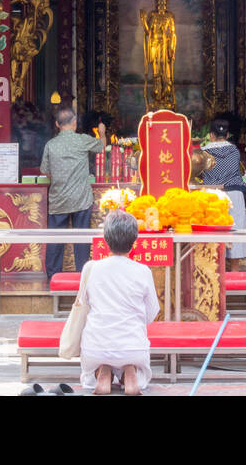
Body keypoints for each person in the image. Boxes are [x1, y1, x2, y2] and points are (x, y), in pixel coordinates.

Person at [79, 210, 160, 395]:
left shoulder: (91, 268)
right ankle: (129, 374)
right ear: (134, 240)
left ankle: (102, 371)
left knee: (89, 375)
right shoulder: (142, 270)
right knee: (141, 373)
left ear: (106, 239)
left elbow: (84, 303)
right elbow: (152, 311)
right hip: (133, 346)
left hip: (96, 345)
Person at [40, 108, 105, 281]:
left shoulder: (51, 145)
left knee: (55, 239)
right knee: (82, 238)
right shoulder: (82, 140)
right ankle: (83, 275)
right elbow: (101, 147)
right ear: (75, 123)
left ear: (56, 124)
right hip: (81, 199)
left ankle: (53, 276)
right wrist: (102, 133)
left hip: (58, 200)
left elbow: (45, 171)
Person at [197, 117, 246, 265]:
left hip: (212, 195)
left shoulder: (202, 153)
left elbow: (200, 173)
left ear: (211, 135)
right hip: (234, 193)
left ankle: (214, 270)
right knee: (235, 231)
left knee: (212, 232)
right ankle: (234, 271)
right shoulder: (234, 151)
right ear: (227, 135)